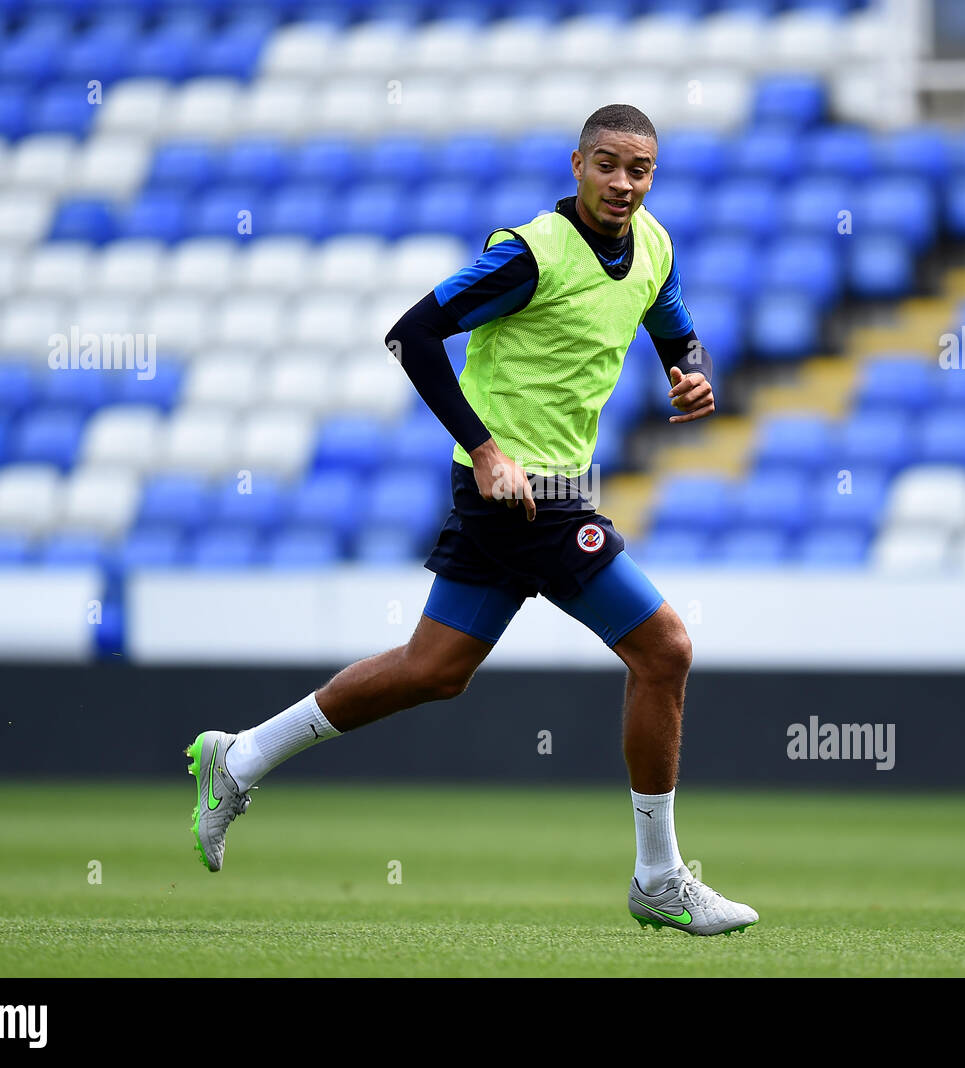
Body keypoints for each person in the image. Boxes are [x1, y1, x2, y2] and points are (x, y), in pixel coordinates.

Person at [187, 104, 757, 936]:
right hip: (518, 495)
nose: (624, 183)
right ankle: (660, 877)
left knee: (433, 669)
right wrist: (487, 450)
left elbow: (676, 330)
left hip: (558, 490)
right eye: (608, 165)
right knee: (664, 648)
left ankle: (238, 758)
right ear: (577, 164)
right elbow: (411, 335)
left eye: (640, 170)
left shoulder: (656, 247)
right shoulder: (529, 255)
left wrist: (691, 374)